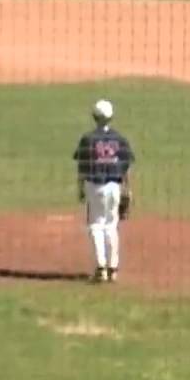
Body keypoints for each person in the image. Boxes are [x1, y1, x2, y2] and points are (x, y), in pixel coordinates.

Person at [72, 99, 136, 283]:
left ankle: (101, 267)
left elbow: (82, 167)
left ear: (94, 117)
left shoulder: (88, 139)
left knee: (95, 225)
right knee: (111, 225)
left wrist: (80, 188)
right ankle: (113, 268)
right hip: (114, 186)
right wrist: (128, 189)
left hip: (95, 186)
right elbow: (126, 168)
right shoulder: (120, 139)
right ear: (111, 117)